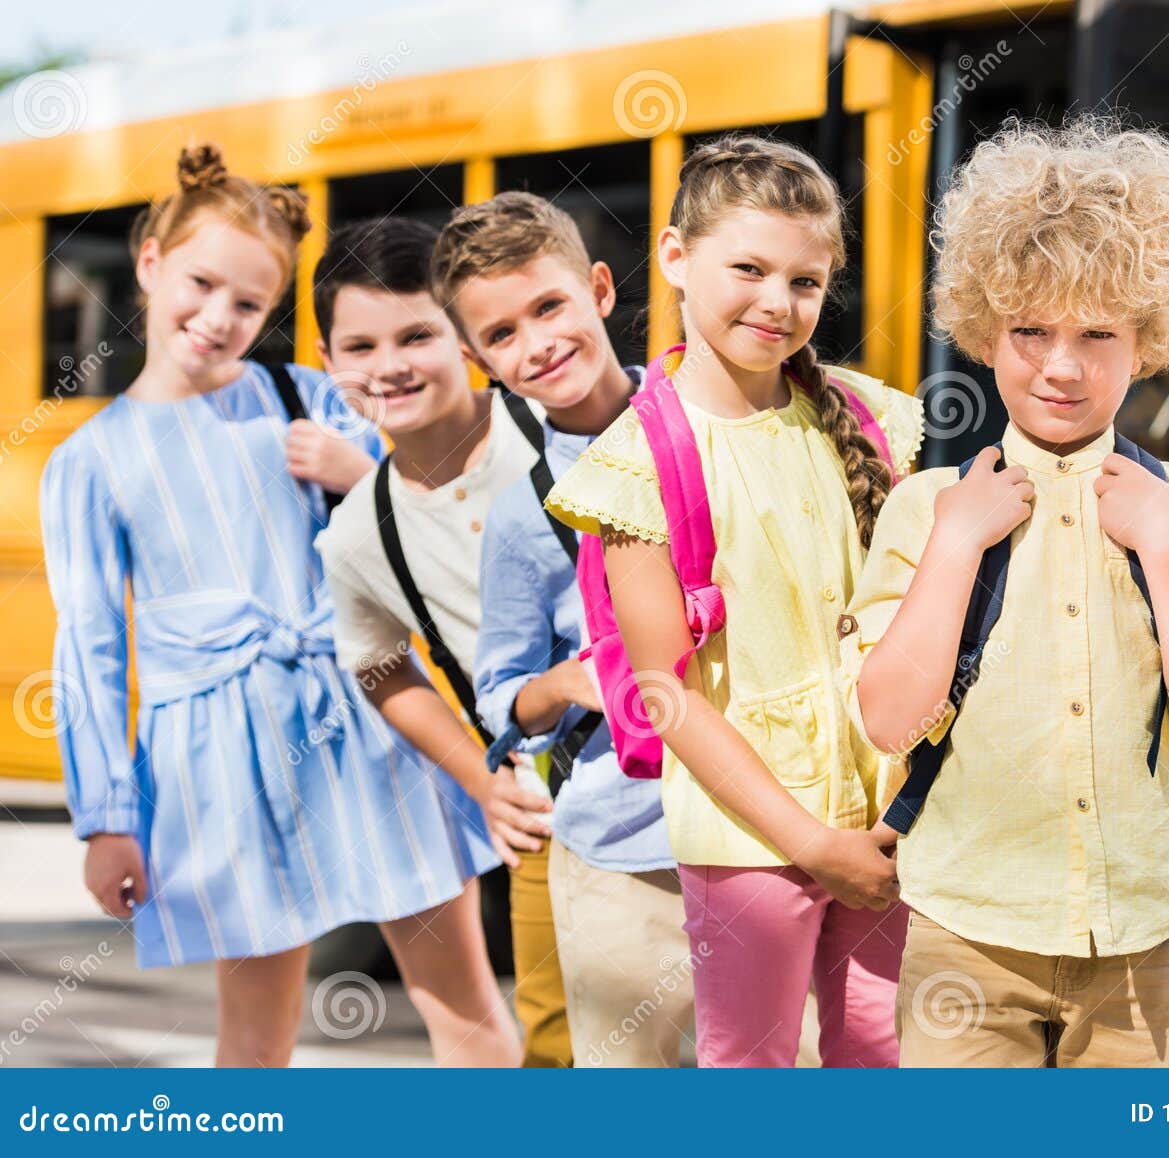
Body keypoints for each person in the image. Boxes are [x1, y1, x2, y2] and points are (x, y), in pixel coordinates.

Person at [39, 145, 500, 1067]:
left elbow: (434, 536)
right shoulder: (88, 461)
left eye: (249, 304)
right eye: (202, 284)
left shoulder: (314, 399)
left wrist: (361, 473)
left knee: (465, 1007)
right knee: (254, 1034)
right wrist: (106, 820)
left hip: (368, 723)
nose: (218, 318)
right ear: (150, 262)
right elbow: (89, 648)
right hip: (218, 767)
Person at [844, 117, 1169, 1067]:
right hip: (967, 926)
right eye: (1031, 330)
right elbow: (885, 720)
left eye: (1099, 334)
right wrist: (958, 543)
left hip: (1144, 942)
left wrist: (1166, 549)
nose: (1062, 365)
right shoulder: (928, 506)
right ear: (983, 327)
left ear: (1148, 340)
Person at [544, 136, 924, 1068]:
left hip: (888, 814)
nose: (776, 302)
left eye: (805, 280)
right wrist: (807, 840)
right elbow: (663, 693)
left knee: (884, 1054)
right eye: (747, 268)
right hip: (751, 832)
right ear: (674, 257)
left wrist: (905, 809)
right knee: (749, 1064)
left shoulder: (874, 419)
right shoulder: (634, 465)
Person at [429, 191, 691, 1066]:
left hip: (768, 822)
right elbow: (498, 695)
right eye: (501, 335)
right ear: (478, 360)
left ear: (602, 292)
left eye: (550, 306)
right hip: (623, 835)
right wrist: (571, 683)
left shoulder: (714, 424)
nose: (537, 343)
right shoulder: (521, 516)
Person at [311, 215, 574, 1067]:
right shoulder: (358, 535)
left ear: (462, 336)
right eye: (360, 345)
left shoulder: (554, 424)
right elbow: (379, 665)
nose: (389, 366)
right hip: (549, 809)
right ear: (327, 363)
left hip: (689, 773)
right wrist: (482, 781)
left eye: (417, 334)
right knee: (561, 1045)